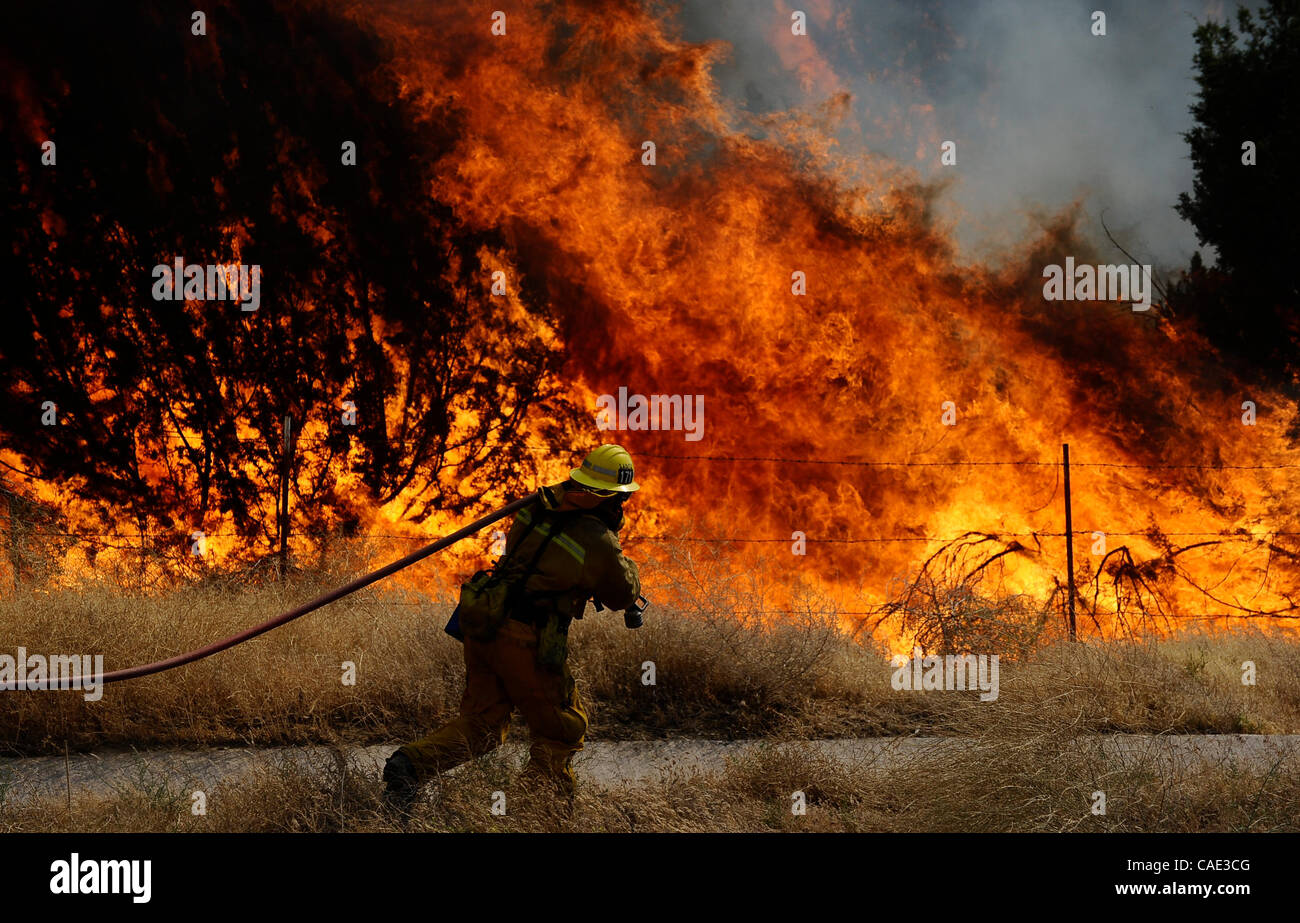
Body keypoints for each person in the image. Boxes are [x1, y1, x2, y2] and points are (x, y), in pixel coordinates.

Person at [382, 444, 643, 815]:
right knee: (562, 729)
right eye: (620, 500)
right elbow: (622, 593)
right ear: (607, 498)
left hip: (485, 621)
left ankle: (409, 767)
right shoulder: (596, 540)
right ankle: (540, 814)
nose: (622, 507)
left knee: (484, 726)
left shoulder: (536, 508)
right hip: (524, 638)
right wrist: (618, 550)